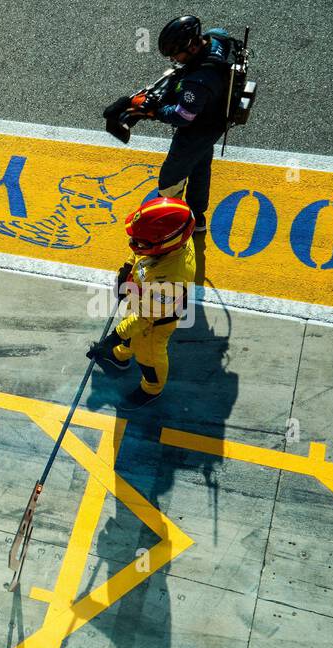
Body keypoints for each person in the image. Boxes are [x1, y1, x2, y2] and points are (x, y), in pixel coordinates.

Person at [117, 15, 238, 232]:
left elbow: (182, 116)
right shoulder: (216, 40)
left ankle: (168, 222)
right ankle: (196, 216)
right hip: (215, 122)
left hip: (196, 131)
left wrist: (154, 111)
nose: (174, 59)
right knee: (200, 167)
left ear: (192, 47)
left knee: (171, 178)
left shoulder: (197, 82)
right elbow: (223, 34)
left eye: (176, 54)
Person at [87, 196, 197, 409]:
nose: (133, 244)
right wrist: (127, 267)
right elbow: (141, 248)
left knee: (150, 357)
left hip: (154, 323)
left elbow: (145, 318)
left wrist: (113, 337)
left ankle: (151, 389)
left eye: (139, 242)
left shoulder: (172, 279)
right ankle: (120, 357)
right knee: (129, 334)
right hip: (141, 301)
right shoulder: (172, 239)